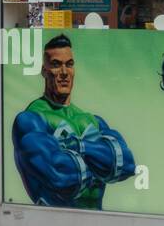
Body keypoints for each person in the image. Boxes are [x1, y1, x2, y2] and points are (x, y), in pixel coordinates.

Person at [12, 34, 135, 210]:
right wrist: (103, 158)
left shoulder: (92, 119)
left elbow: (127, 165)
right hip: (55, 222)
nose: (64, 72)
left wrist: (78, 147)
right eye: (56, 65)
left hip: (98, 219)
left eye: (69, 64)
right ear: (44, 71)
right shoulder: (31, 119)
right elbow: (61, 176)